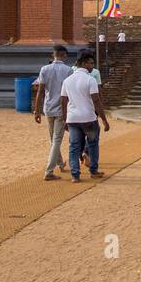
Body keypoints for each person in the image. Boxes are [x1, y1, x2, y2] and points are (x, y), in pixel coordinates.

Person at [61, 51, 109, 184]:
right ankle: (93, 170)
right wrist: (104, 119)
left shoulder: (67, 81)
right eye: (90, 63)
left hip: (73, 119)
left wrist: (65, 119)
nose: (92, 66)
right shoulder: (90, 80)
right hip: (88, 117)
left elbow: (63, 102)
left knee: (74, 146)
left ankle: (75, 174)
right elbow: (97, 101)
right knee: (93, 144)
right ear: (83, 63)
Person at [31, 44, 74, 181]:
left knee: (53, 139)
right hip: (62, 108)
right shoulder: (68, 70)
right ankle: (49, 171)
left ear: (53, 55)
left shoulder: (45, 69)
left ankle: (60, 163)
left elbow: (40, 91)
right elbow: (70, 93)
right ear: (64, 55)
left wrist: (36, 110)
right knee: (56, 140)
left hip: (48, 107)